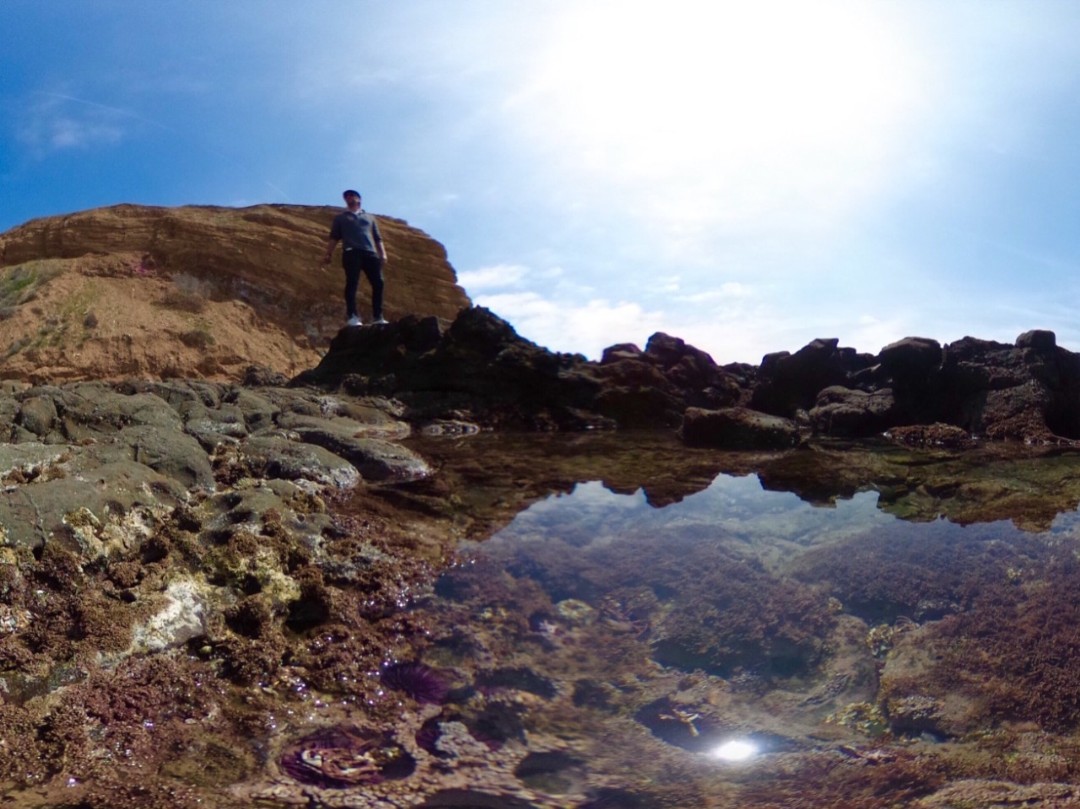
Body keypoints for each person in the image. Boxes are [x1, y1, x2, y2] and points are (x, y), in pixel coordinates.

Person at [322, 189, 389, 326]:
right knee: (352, 283)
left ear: (359, 199)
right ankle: (352, 316)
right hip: (351, 252)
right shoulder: (340, 218)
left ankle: (378, 316)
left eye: (351, 196)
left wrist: (383, 254)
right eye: (346, 197)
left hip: (370, 253)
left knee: (379, 283)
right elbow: (334, 237)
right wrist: (328, 253)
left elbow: (377, 237)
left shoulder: (370, 218)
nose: (348, 198)